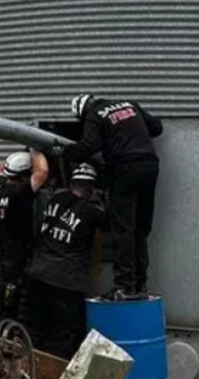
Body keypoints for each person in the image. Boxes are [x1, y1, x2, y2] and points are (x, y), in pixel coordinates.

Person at [64, 94, 163, 298]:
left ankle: (124, 286)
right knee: (140, 229)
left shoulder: (94, 115)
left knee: (123, 229)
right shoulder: (130, 104)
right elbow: (157, 127)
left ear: (83, 111)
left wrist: (66, 151)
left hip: (124, 170)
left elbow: (88, 146)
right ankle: (140, 285)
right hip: (150, 167)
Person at [23, 163, 107, 359]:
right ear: (91, 189)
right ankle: (51, 373)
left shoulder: (54, 199)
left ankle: (29, 370)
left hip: (38, 274)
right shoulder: (92, 211)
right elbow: (111, 222)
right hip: (67, 282)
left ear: (71, 184)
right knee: (63, 337)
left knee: (35, 331)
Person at [0, 149, 49, 332]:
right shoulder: (20, 192)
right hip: (5, 265)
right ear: (25, 175)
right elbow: (43, 172)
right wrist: (35, 148)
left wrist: (14, 161)